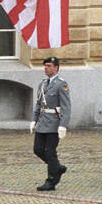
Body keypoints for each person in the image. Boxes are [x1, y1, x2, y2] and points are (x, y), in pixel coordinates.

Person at [30, 56, 71, 191]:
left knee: (50, 152)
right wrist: (33, 119)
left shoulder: (61, 84)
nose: (46, 68)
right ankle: (57, 168)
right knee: (38, 149)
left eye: (49, 66)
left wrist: (63, 124)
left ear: (56, 67)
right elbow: (38, 103)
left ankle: (51, 180)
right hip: (42, 122)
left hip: (54, 122)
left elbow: (66, 106)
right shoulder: (43, 84)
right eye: (45, 66)